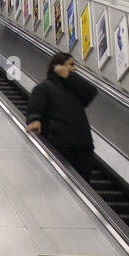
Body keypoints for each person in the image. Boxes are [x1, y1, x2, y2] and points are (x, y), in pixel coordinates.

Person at [26, 52, 98, 180]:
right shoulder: (43, 88)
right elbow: (34, 108)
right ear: (58, 66)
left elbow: (91, 93)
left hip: (84, 147)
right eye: (71, 65)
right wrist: (35, 120)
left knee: (85, 186)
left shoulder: (75, 89)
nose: (74, 68)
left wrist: (68, 76)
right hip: (60, 145)